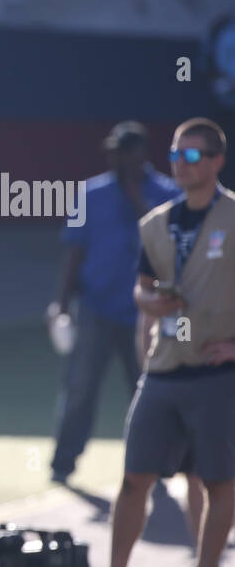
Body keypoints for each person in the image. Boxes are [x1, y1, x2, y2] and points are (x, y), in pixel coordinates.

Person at [78, 118, 235, 567]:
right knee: (135, 477)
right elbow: (142, 285)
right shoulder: (157, 222)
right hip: (163, 369)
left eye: (191, 155)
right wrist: (149, 304)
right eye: (175, 153)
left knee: (218, 482)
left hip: (215, 370)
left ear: (216, 162)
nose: (178, 163)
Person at [49, 122, 177, 483]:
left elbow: (166, 248)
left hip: (146, 313)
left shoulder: (166, 194)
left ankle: (157, 463)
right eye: (113, 152)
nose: (116, 159)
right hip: (95, 308)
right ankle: (63, 463)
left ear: (140, 154)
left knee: (149, 392)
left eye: (124, 152)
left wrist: (137, 200)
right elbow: (73, 251)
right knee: (79, 388)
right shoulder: (90, 194)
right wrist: (59, 304)